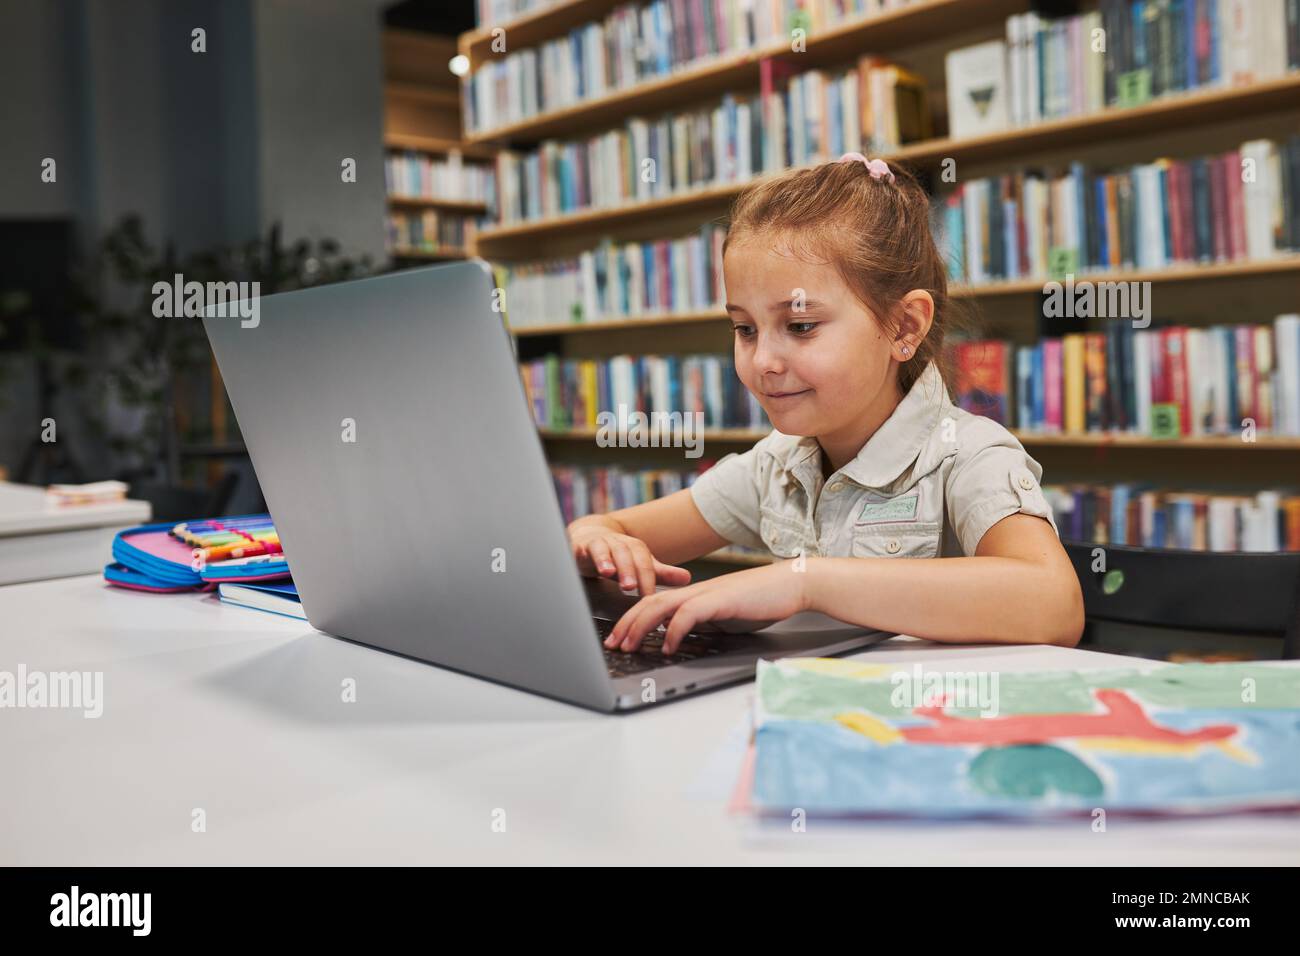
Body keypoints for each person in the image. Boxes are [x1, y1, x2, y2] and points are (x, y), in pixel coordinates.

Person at [566, 154, 1084, 654]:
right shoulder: (776, 464)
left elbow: (1054, 603)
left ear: (904, 327)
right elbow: (611, 530)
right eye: (744, 329)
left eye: (800, 326)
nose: (763, 360)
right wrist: (595, 536)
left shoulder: (969, 454)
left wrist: (805, 582)